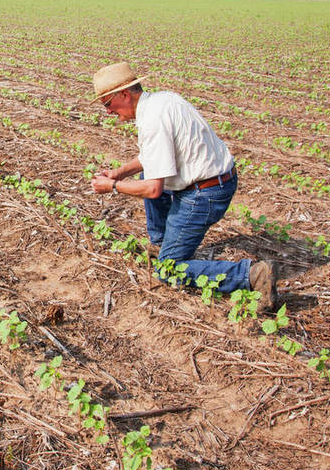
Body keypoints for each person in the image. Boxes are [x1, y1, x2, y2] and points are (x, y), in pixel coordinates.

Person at [88, 62, 277, 310]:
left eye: (107, 104)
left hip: (205, 193)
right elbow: (153, 158)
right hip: (216, 179)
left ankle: (251, 276)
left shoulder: (152, 120)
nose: (108, 112)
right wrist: (119, 172)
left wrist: (112, 186)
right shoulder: (161, 101)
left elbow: (153, 190)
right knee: (149, 171)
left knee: (168, 270)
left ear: (124, 94)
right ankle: (163, 243)